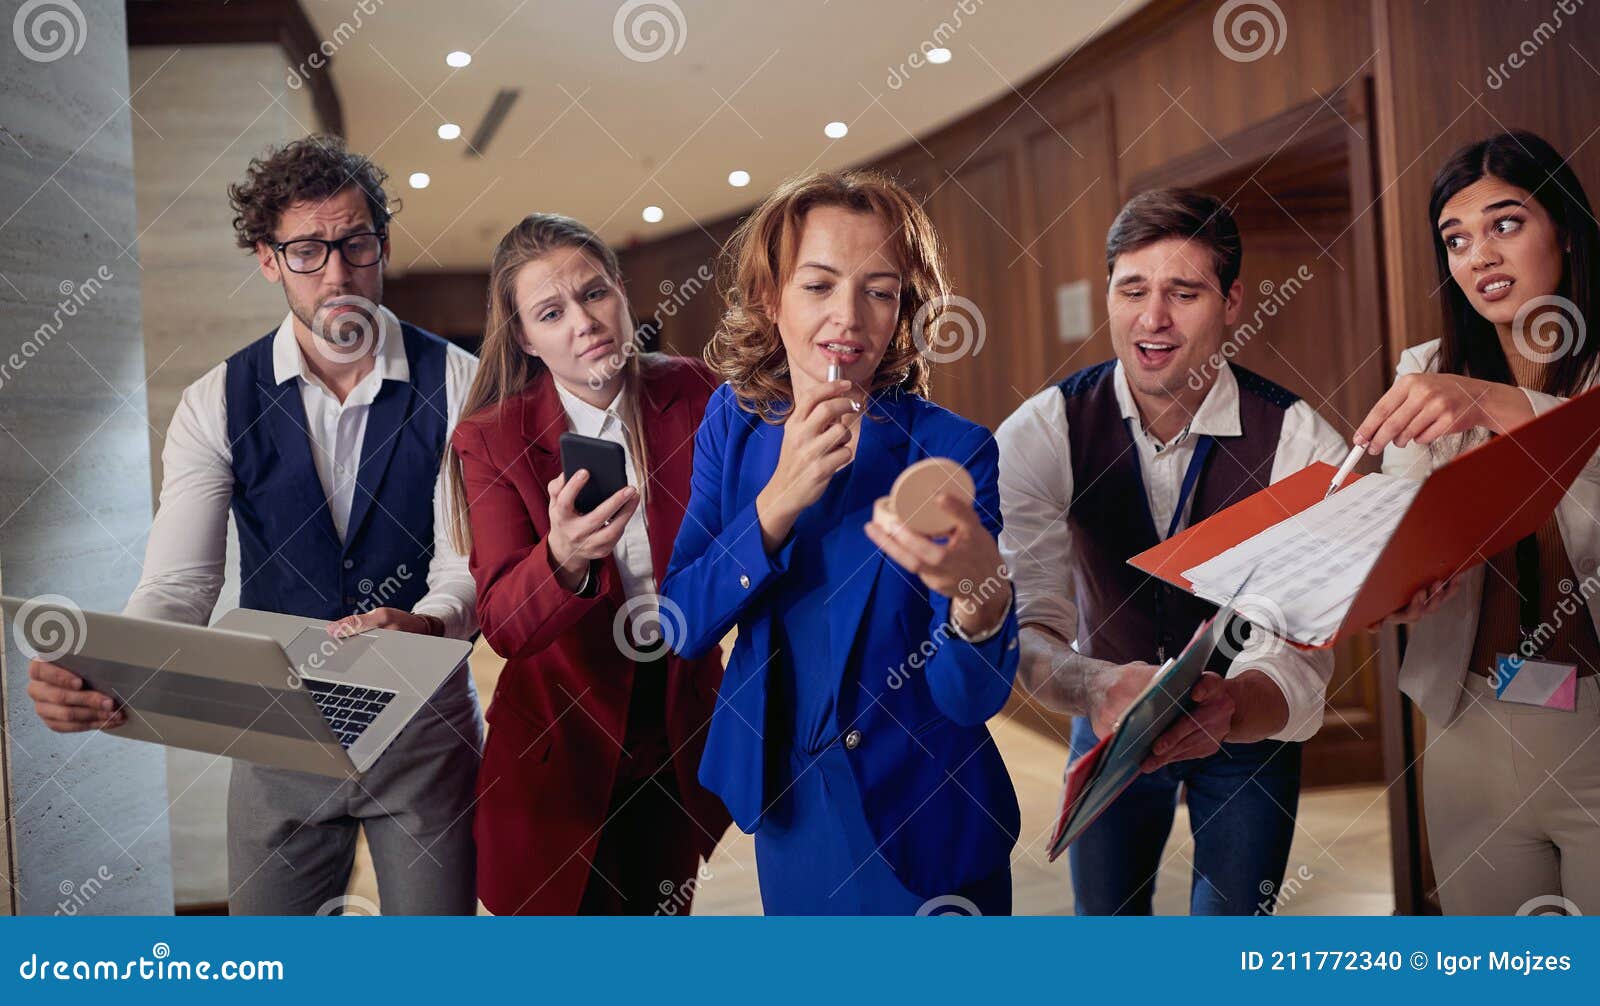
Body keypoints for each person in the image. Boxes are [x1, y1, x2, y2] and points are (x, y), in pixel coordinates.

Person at [24, 135, 482, 914]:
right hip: (279, 733)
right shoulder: (215, 401)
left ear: (383, 245)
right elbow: (179, 585)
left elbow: (464, 567)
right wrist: (109, 670)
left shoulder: (464, 383)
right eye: (306, 250)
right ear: (269, 260)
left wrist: (431, 625)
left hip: (425, 731)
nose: (336, 273)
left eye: (355, 244)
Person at [661, 170, 1019, 915]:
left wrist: (980, 604)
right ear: (771, 297)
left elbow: (968, 696)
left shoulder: (953, 451)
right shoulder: (732, 423)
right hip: (792, 811)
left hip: (928, 812)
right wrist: (774, 505)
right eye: (819, 285)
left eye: (879, 290)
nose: (849, 317)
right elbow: (681, 623)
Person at [996, 188, 1346, 915]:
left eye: (1183, 292)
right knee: (1109, 934)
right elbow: (1027, 619)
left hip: (1246, 724)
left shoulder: (1301, 441)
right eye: (1134, 290)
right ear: (1110, 296)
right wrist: (1092, 687)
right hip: (1104, 714)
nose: (1152, 318)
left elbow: (1304, 648)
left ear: (1232, 302)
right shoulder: (1044, 429)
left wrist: (1235, 706)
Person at [447, 214, 729, 915]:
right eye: (551, 312)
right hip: (554, 762)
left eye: (594, 293)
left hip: (673, 738)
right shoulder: (492, 437)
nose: (584, 321)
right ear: (525, 338)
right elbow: (505, 623)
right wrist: (563, 557)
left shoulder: (697, 393)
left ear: (621, 293)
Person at [1354, 130, 1600, 915]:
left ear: (1562, 227)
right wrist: (1388, 591)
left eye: (1505, 224)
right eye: (1455, 240)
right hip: (1469, 719)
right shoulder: (1426, 371)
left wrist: (1494, 403)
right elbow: (1403, 528)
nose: (1479, 257)